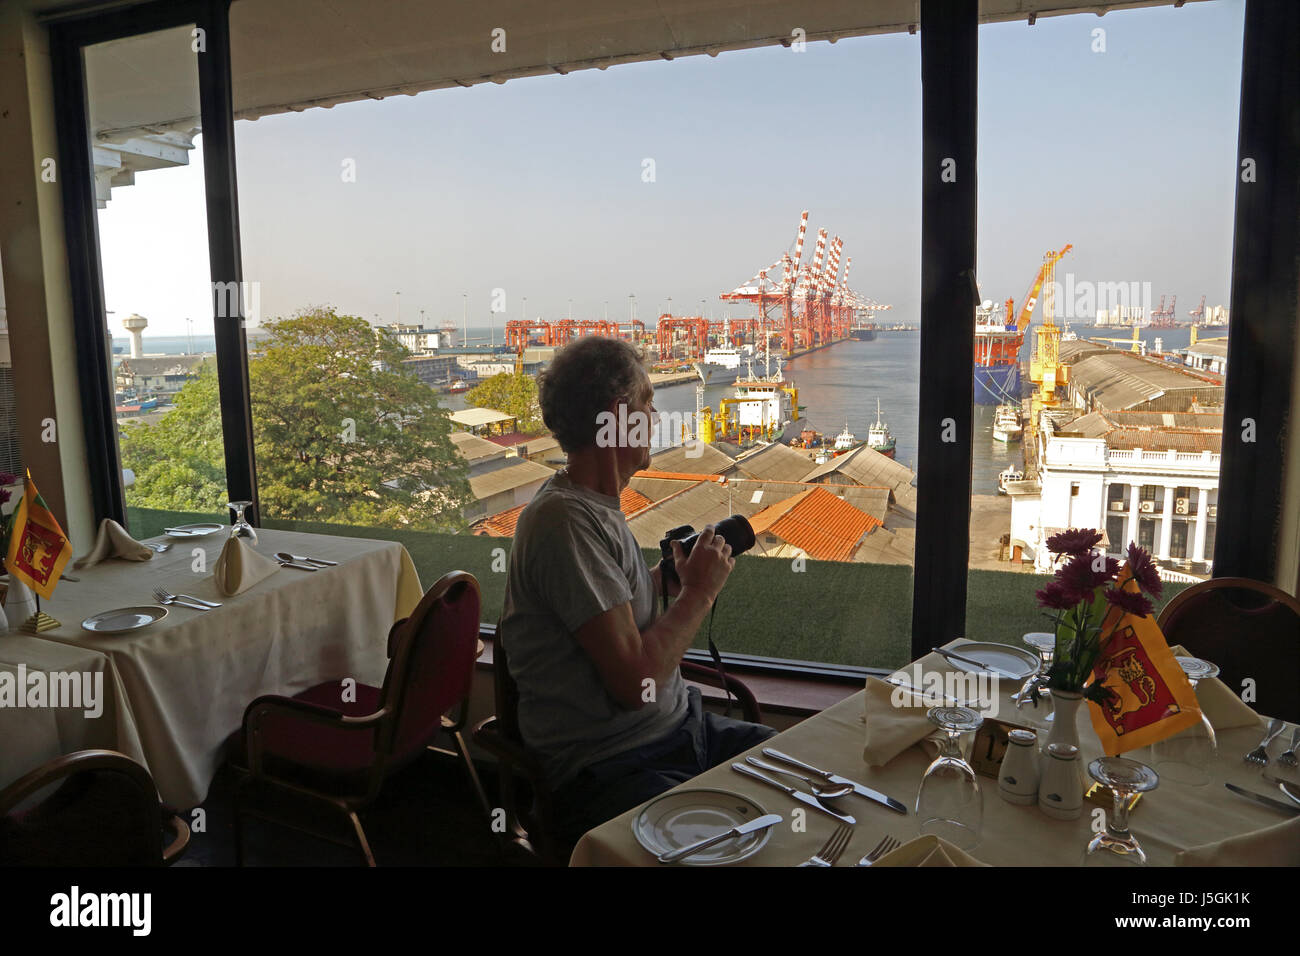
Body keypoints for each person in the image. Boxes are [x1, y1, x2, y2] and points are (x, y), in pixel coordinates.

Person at [499, 336, 777, 846]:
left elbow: (610, 615)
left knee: (801, 773)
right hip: (612, 766)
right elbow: (633, 683)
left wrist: (667, 579)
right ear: (615, 417)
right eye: (648, 404)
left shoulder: (595, 509)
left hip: (679, 731)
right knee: (741, 847)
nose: (654, 416)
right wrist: (698, 595)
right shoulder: (564, 522)